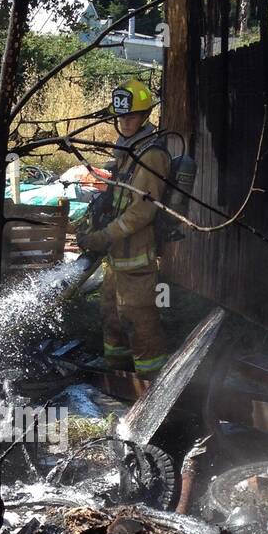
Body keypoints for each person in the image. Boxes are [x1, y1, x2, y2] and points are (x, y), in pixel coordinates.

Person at [78, 78, 170, 377]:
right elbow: (117, 196)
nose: (125, 122)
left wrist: (104, 236)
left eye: (131, 116)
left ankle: (151, 380)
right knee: (111, 314)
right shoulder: (126, 149)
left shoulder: (152, 154)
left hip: (137, 255)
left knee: (138, 318)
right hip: (117, 255)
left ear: (145, 117)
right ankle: (115, 372)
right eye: (121, 116)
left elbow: (143, 211)